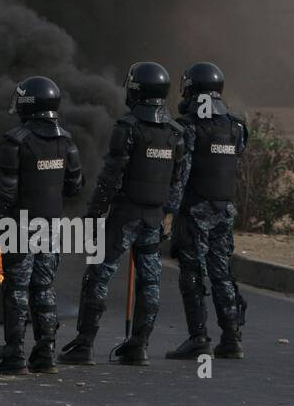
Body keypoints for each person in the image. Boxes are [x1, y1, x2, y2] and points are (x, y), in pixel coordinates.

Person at [60, 62, 185, 366]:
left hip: (125, 216)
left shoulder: (128, 128)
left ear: (136, 90)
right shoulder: (175, 133)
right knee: (150, 282)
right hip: (154, 218)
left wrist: (93, 215)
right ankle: (138, 346)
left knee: (98, 276)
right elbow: (177, 182)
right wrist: (168, 216)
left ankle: (84, 344)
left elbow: (110, 178)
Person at [0, 76, 84, 374]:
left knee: (17, 290)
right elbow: (75, 186)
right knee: (44, 287)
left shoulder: (16, 140)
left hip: (20, 228)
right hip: (52, 226)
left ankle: (14, 355)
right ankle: (45, 353)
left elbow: (5, 191)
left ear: (25, 104)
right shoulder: (66, 140)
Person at [166, 62, 249, 360]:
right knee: (222, 273)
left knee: (192, 274)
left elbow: (181, 174)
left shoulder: (187, 126)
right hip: (224, 210)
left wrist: (168, 212)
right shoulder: (236, 126)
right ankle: (232, 338)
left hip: (195, 211)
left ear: (191, 89)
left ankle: (199, 338)